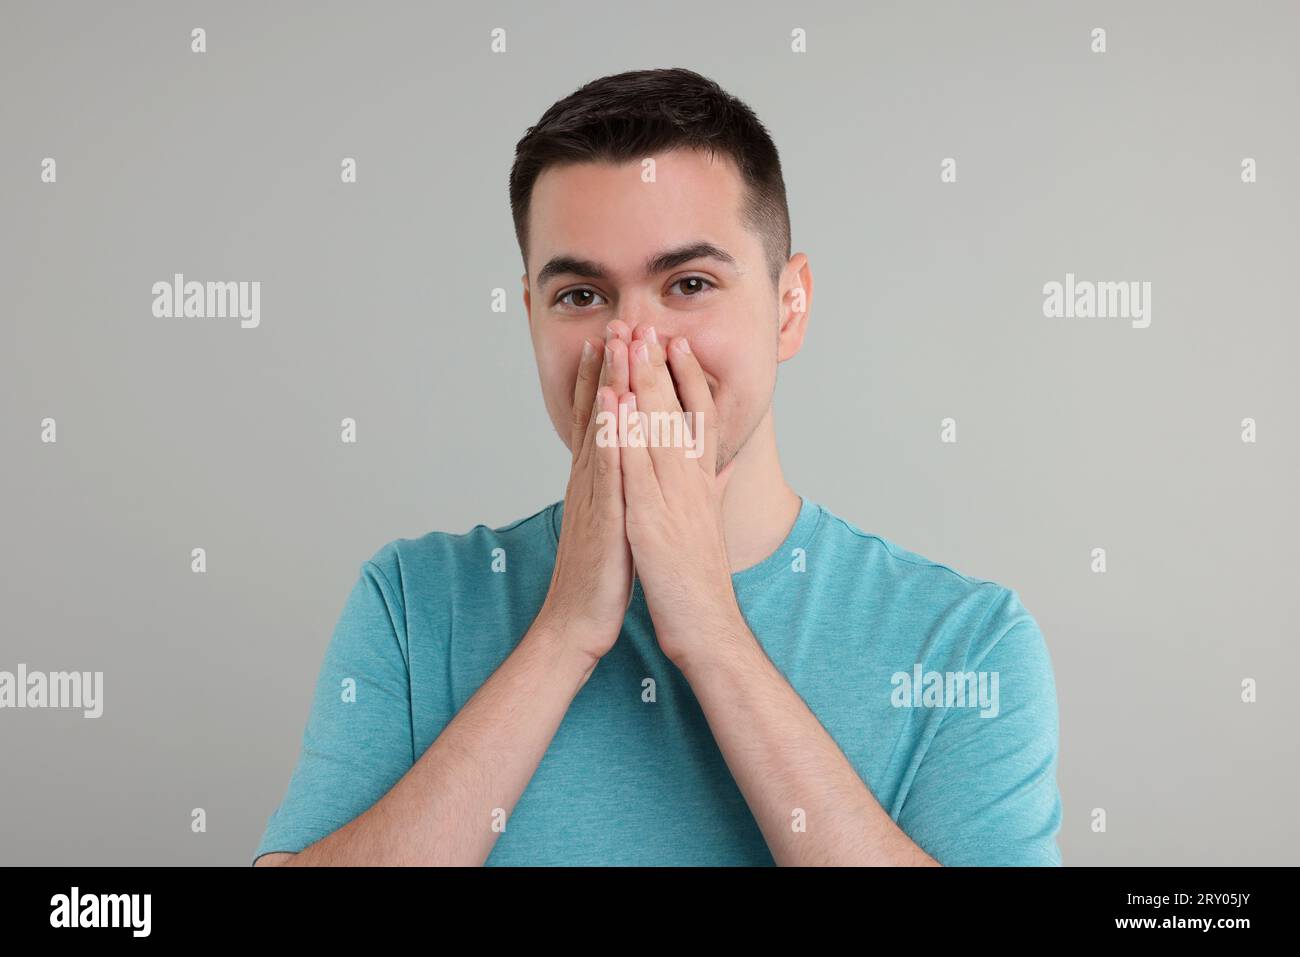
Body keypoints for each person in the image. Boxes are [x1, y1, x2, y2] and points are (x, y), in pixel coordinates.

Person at [253, 67, 1062, 866]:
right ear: (530, 316)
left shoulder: (965, 642)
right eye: (580, 295)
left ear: (790, 305)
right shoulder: (412, 603)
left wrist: (710, 630)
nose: (631, 342)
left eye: (690, 282)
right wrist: (564, 632)